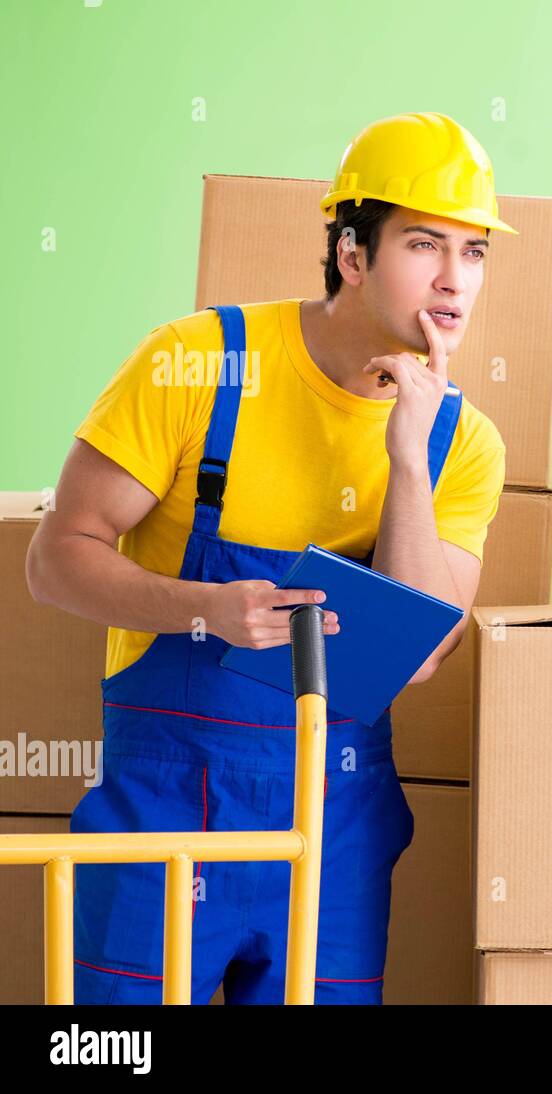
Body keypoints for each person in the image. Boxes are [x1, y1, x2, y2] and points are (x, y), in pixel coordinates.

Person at [25, 111, 513, 1004]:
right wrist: (205, 609)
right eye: (425, 243)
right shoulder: (198, 365)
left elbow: (423, 656)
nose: (454, 280)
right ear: (353, 254)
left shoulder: (462, 445)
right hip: (165, 818)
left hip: (335, 829)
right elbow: (56, 560)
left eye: (474, 251)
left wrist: (408, 455)